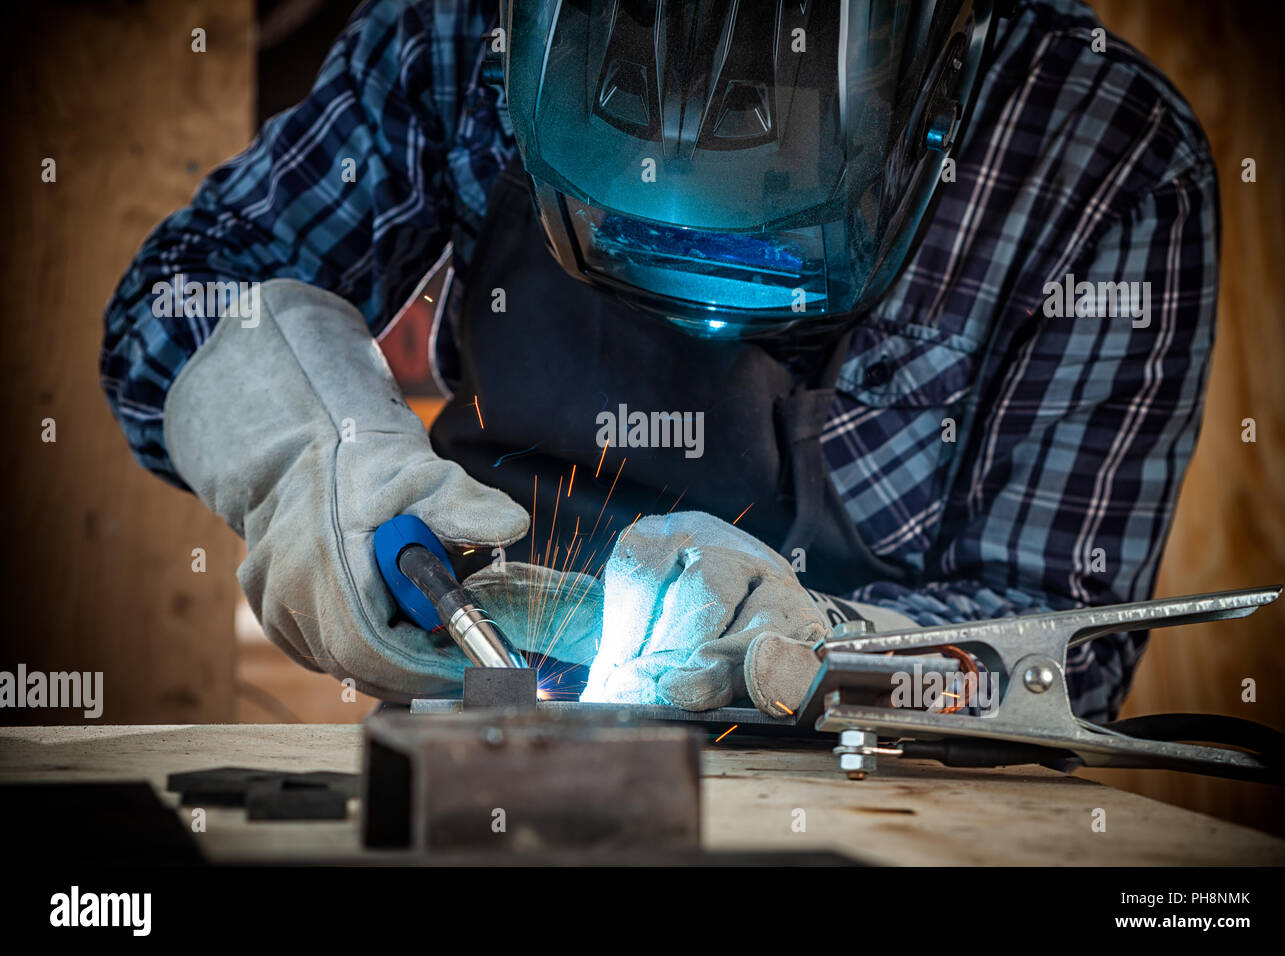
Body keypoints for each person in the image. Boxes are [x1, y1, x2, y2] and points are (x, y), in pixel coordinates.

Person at [101, 0, 1218, 721]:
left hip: (898, 811)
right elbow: (179, 294)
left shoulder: (1098, 150)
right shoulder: (457, 30)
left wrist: (823, 656)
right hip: (478, 764)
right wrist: (310, 454)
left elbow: (1062, 655)